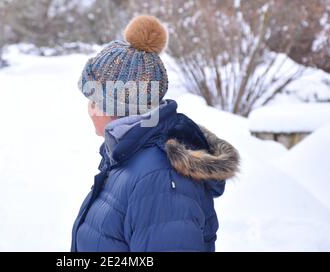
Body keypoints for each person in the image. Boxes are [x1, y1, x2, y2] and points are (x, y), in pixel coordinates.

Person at [72, 15, 240, 252]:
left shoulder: (160, 180)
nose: (88, 109)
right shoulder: (128, 154)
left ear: (120, 108)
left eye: (93, 101)